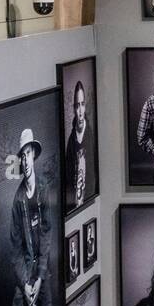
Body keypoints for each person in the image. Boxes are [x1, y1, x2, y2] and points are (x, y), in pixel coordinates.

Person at [8, 128, 57, 306]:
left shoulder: (44, 190)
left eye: (29, 154)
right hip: (25, 272)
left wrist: (38, 278)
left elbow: (47, 236)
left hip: (43, 269)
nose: (25, 160)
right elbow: (15, 250)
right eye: (22, 155)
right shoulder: (17, 200)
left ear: (34, 156)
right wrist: (26, 284)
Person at [65, 81, 92, 211]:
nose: (80, 111)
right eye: (77, 106)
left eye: (82, 104)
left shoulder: (91, 136)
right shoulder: (71, 142)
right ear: (74, 108)